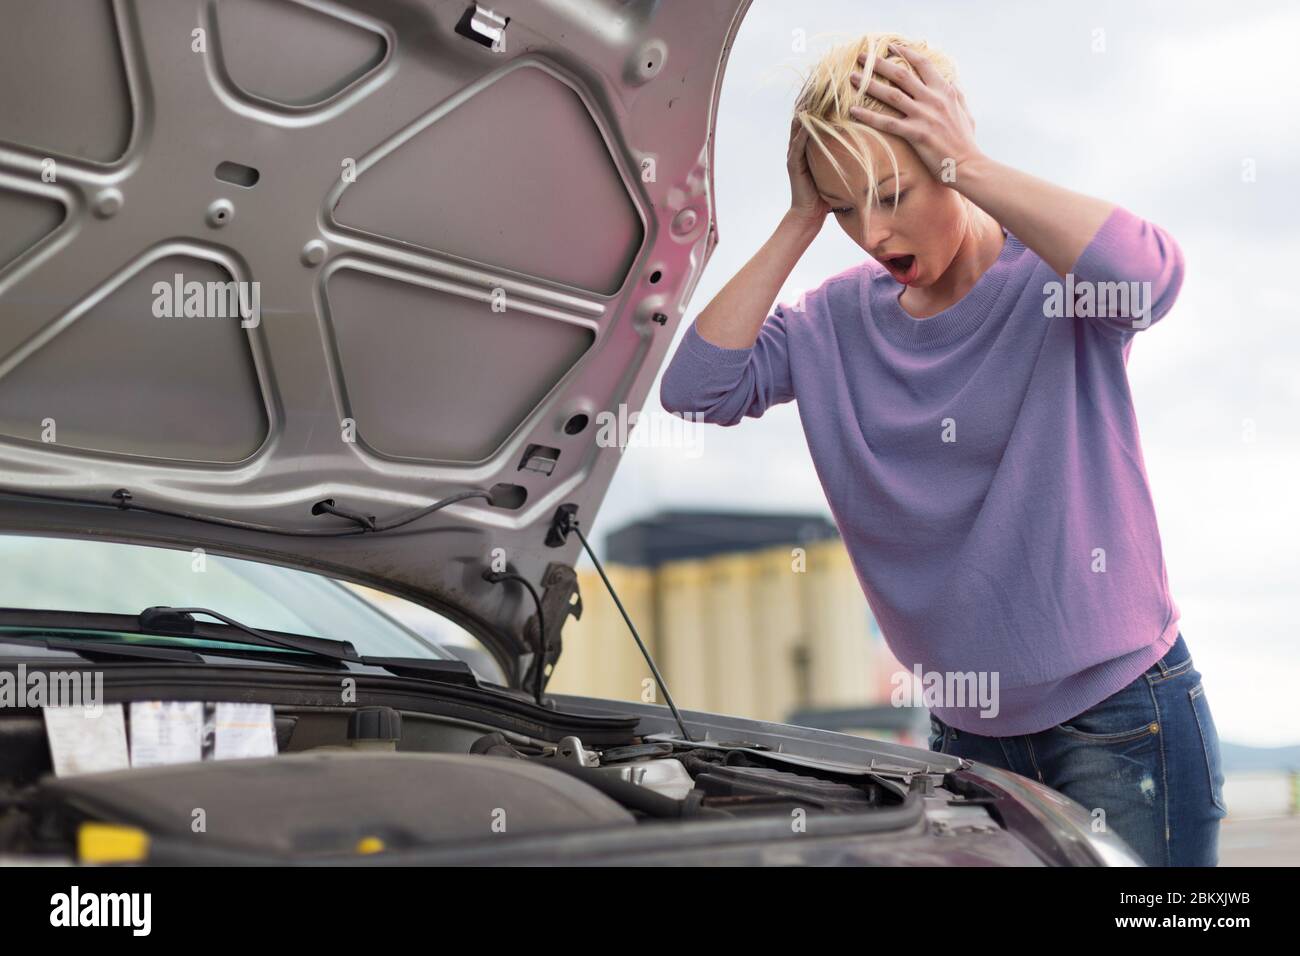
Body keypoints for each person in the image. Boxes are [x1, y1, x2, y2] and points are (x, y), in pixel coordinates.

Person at [657, 32, 1226, 866]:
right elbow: (695, 389)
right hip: (967, 737)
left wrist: (973, 164)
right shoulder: (834, 324)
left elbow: (1154, 277)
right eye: (846, 207)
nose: (871, 232)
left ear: (950, 162)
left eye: (893, 193)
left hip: (1122, 722)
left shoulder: (1055, 285)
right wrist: (797, 220)